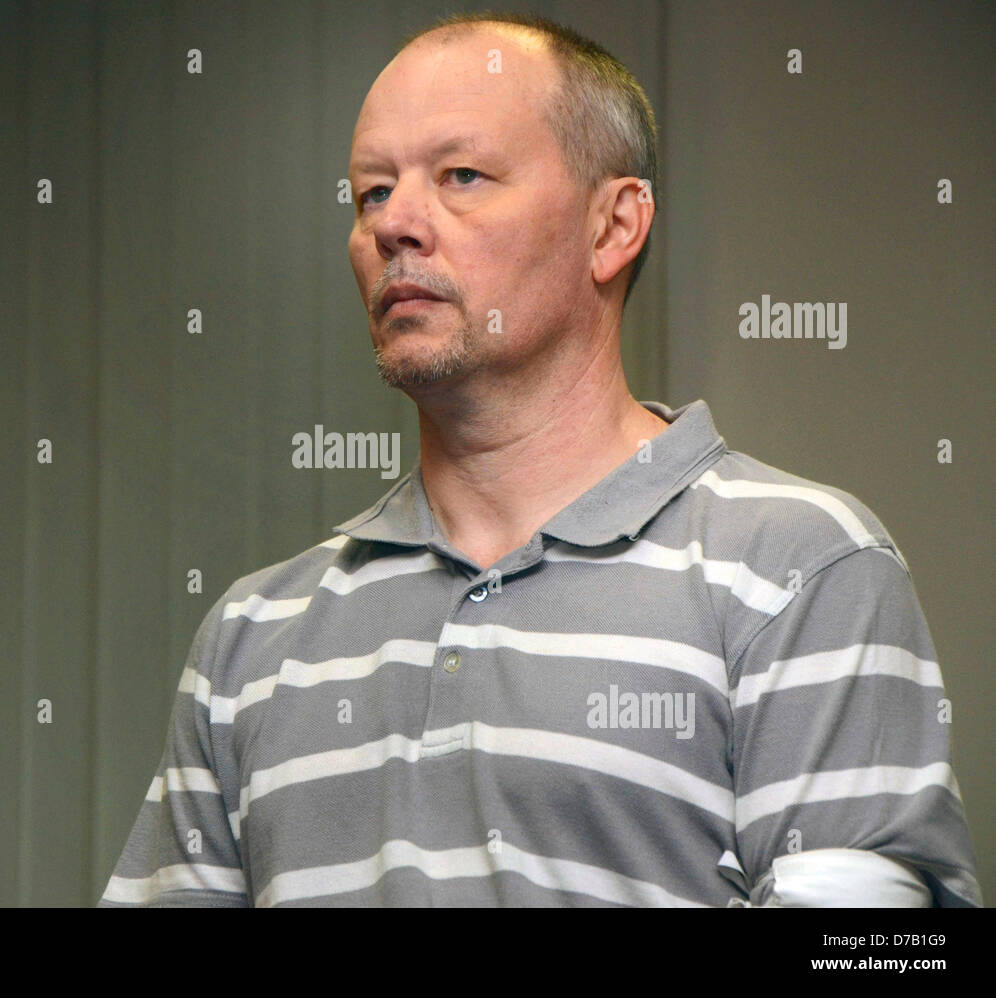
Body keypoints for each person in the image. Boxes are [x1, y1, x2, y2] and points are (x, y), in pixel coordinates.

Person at [98, 12, 981, 907]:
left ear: (613, 226)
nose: (395, 224)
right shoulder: (251, 638)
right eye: (370, 193)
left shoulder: (800, 570)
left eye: (462, 176)